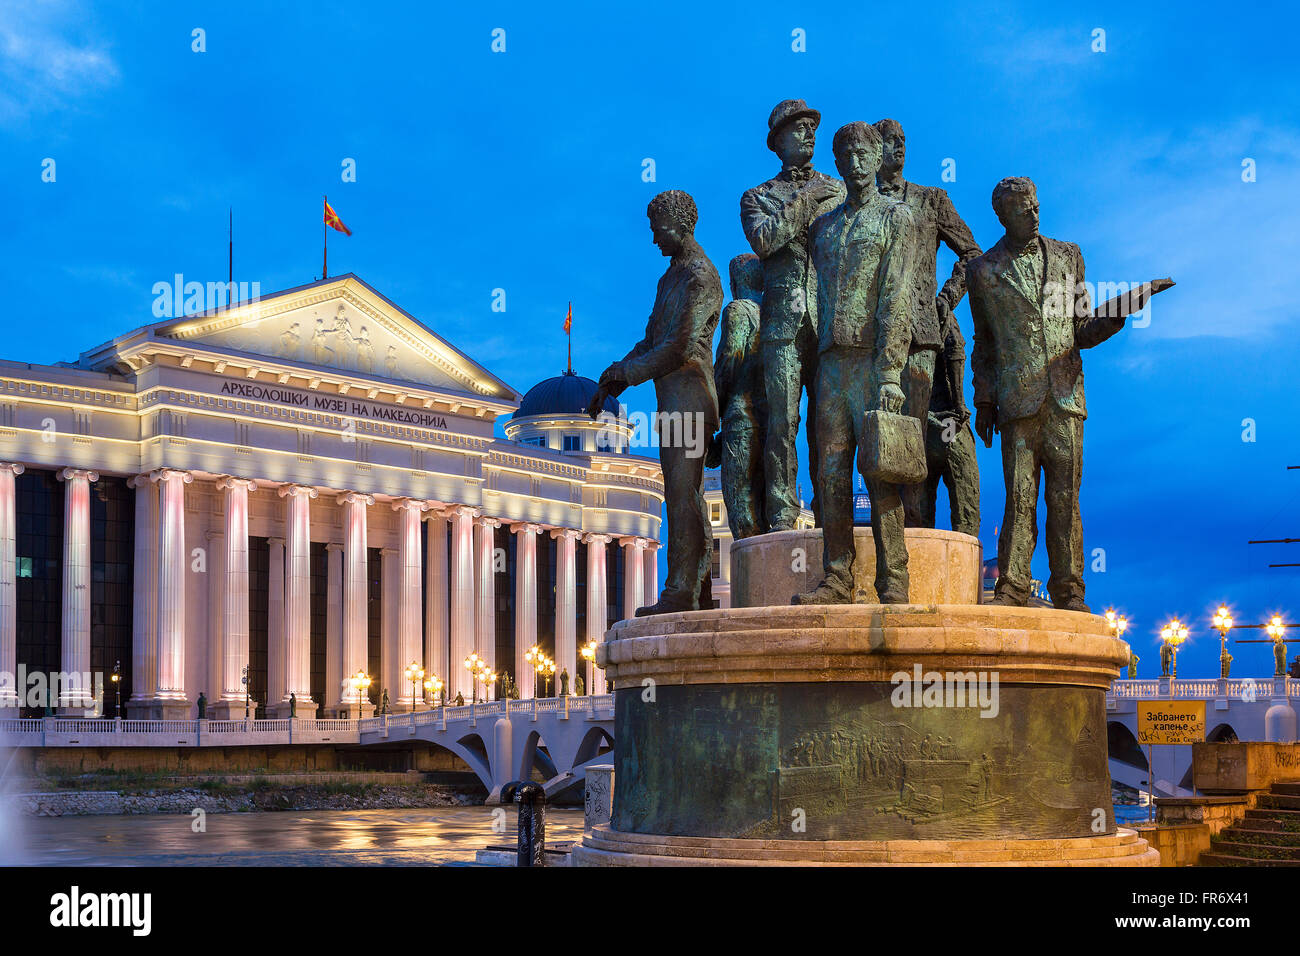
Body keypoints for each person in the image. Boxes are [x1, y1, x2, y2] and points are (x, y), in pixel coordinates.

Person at [969, 177, 1128, 611]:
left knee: (1065, 500)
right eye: (1023, 210)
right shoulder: (983, 271)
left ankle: (1070, 590)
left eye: (1036, 206)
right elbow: (983, 345)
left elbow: (1081, 329)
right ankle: (1013, 586)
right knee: (1019, 498)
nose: (1034, 215)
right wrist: (984, 400)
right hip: (1018, 401)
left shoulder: (1067, 256)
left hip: (1064, 395)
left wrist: (1117, 313)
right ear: (1003, 215)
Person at [795, 121, 915, 605]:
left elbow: (897, 296)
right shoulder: (823, 227)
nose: (854, 161)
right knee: (831, 473)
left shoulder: (895, 218)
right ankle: (838, 577)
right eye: (845, 153)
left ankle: (894, 579)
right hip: (831, 365)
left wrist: (890, 373)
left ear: (877, 157)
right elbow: (810, 294)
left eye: (863, 151)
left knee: (881, 471)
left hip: (871, 361)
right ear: (838, 162)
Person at [590, 190, 722, 614]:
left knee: (683, 494)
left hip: (691, 400)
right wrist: (615, 376)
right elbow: (651, 339)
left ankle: (681, 589)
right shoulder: (670, 279)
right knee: (685, 494)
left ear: (681, 223)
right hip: (672, 401)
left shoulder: (700, 276)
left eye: (657, 229)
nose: (653, 239)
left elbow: (678, 346)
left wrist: (628, 374)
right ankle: (695, 586)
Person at [741, 99, 845, 530]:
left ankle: (830, 510)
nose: (809, 135)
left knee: (829, 423)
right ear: (777, 141)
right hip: (782, 324)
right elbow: (765, 241)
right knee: (783, 421)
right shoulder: (758, 197)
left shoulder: (839, 189)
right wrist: (805, 201)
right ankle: (783, 512)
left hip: (828, 323)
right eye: (798, 128)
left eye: (812, 128)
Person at [872, 119, 982, 528]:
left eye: (903, 141)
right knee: (878, 450)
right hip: (870, 340)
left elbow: (972, 254)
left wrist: (947, 297)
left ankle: (916, 549)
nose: (898, 148)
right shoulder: (860, 205)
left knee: (912, 445)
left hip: (920, 334)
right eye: (889, 142)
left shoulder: (931, 199)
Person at [710, 253, 767, 538]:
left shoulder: (738, 310)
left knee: (741, 504)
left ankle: (754, 577)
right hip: (770, 421)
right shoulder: (774, 315)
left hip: (740, 417)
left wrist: (712, 410)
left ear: (734, 282)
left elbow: (730, 358)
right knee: (764, 503)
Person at [918, 303, 979, 536]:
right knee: (966, 507)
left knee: (918, 514)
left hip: (920, 425)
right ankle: (963, 566)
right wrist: (959, 403)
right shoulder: (937, 308)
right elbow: (955, 351)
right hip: (948, 424)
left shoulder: (896, 310)